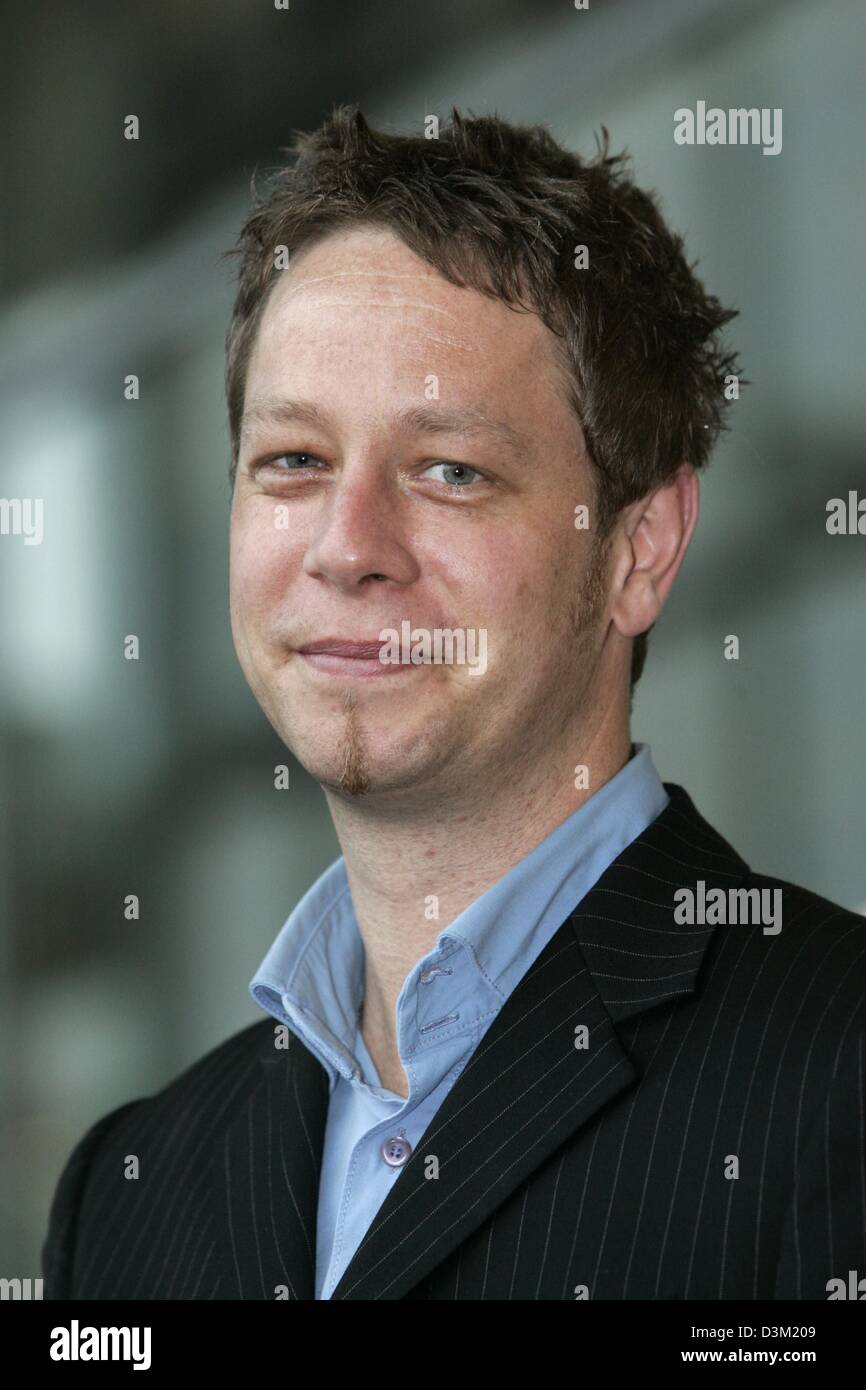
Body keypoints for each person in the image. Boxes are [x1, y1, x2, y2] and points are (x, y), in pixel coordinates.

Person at [42, 105, 865, 1300]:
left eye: (449, 471)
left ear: (637, 549)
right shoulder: (128, 1191)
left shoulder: (833, 1077)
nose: (347, 547)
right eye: (293, 462)